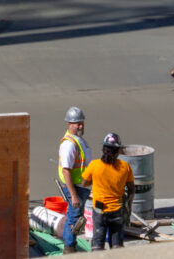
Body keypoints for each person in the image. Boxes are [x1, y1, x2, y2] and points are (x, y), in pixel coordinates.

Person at [81, 132, 135, 252]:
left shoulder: (94, 165)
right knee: (117, 247)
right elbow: (131, 189)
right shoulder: (125, 167)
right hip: (118, 211)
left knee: (97, 246)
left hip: (100, 210)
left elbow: (84, 183)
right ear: (118, 151)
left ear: (103, 149)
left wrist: (95, 179)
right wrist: (129, 207)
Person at [57, 106, 91, 254]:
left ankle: (71, 245)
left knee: (76, 217)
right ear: (69, 124)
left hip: (81, 186)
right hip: (75, 188)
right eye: (77, 123)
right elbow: (66, 171)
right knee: (73, 218)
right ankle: (69, 249)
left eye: (81, 122)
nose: (80, 125)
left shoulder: (77, 140)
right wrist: (74, 194)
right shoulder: (69, 144)